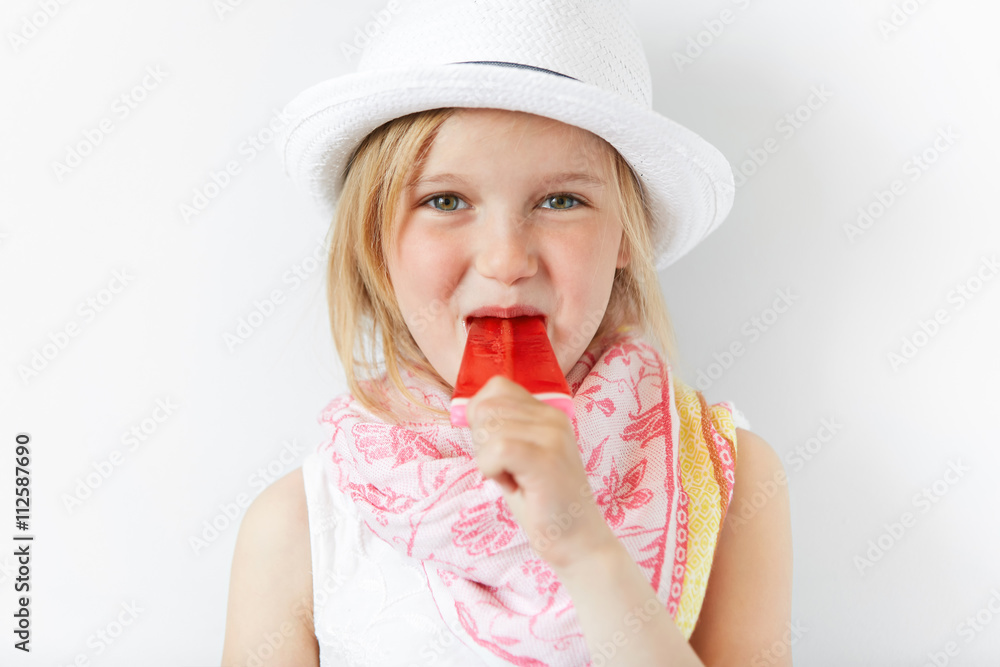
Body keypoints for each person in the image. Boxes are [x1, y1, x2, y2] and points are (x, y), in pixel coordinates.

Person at [221, 1, 792, 665]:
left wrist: (583, 545)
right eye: (444, 200)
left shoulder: (727, 479)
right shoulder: (298, 529)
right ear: (374, 241)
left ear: (625, 235)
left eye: (561, 200)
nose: (506, 259)